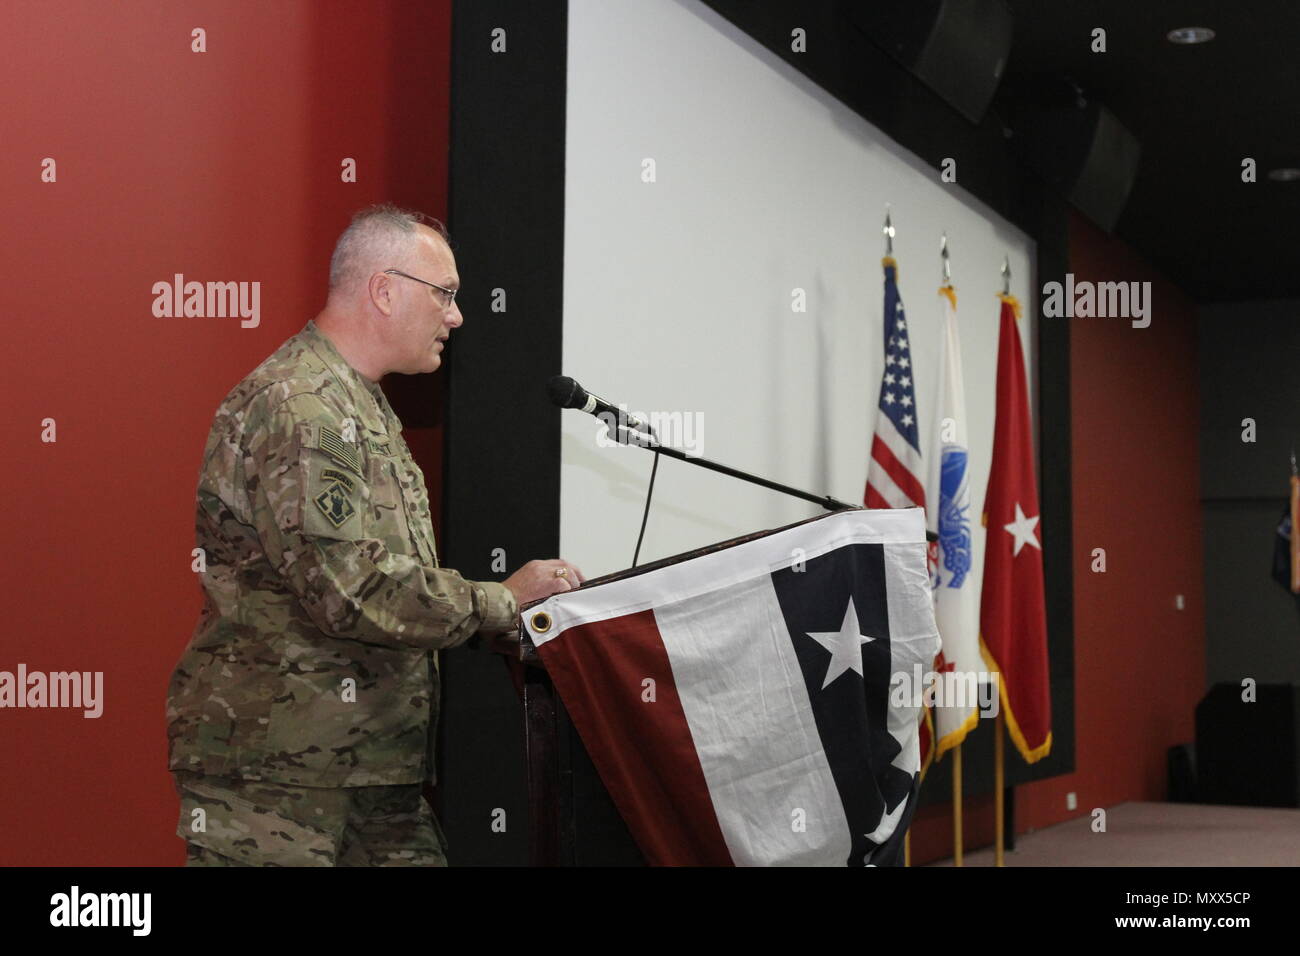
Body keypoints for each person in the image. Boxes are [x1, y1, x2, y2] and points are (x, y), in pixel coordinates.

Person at [166, 203, 582, 866]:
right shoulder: (302, 406)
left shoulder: (361, 406)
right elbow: (348, 590)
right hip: (282, 787)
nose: (456, 316)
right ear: (384, 290)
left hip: (370, 776)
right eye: (445, 294)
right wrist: (502, 603)